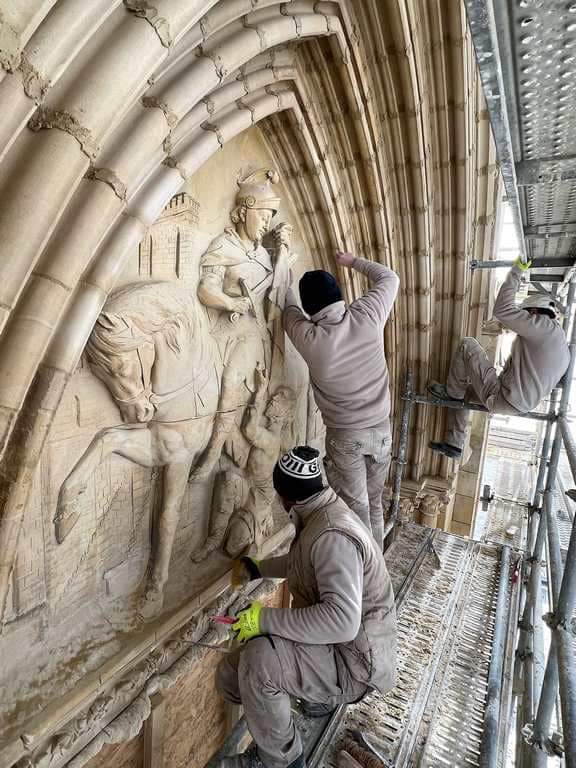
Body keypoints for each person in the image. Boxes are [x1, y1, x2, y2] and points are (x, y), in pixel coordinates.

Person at [216, 446, 397, 768]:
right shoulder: (322, 513)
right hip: (338, 645)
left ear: (286, 498)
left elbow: (341, 622)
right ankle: (285, 713)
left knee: (260, 659)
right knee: (232, 672)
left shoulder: (332, 534)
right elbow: (305, 563)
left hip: (353, 662)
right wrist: (258, 568)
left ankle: (282, 760)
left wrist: (263, 619)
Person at [282, 252, 399, 549]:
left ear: (311, 311)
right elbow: (390, 278)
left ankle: (367, 579)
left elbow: (288, 311)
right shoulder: (367, 315)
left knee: (356, 513)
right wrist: (352, 262)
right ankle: (377, 568)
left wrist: (283, 273)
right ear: (341, 296)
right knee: (373, 503)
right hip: (382, 434)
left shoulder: (310, 338)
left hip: (346, 438)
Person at [429, 257, 570, 460]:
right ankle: (455, 443)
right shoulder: (560, 348)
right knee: (467, 393)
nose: (523, 320)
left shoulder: (543, 326)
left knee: (467, 345)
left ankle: (450, 394)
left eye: (526, 314)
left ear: (536, 312)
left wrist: (516, 271)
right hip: (515, 404)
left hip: (505, 396)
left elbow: (502, 310)